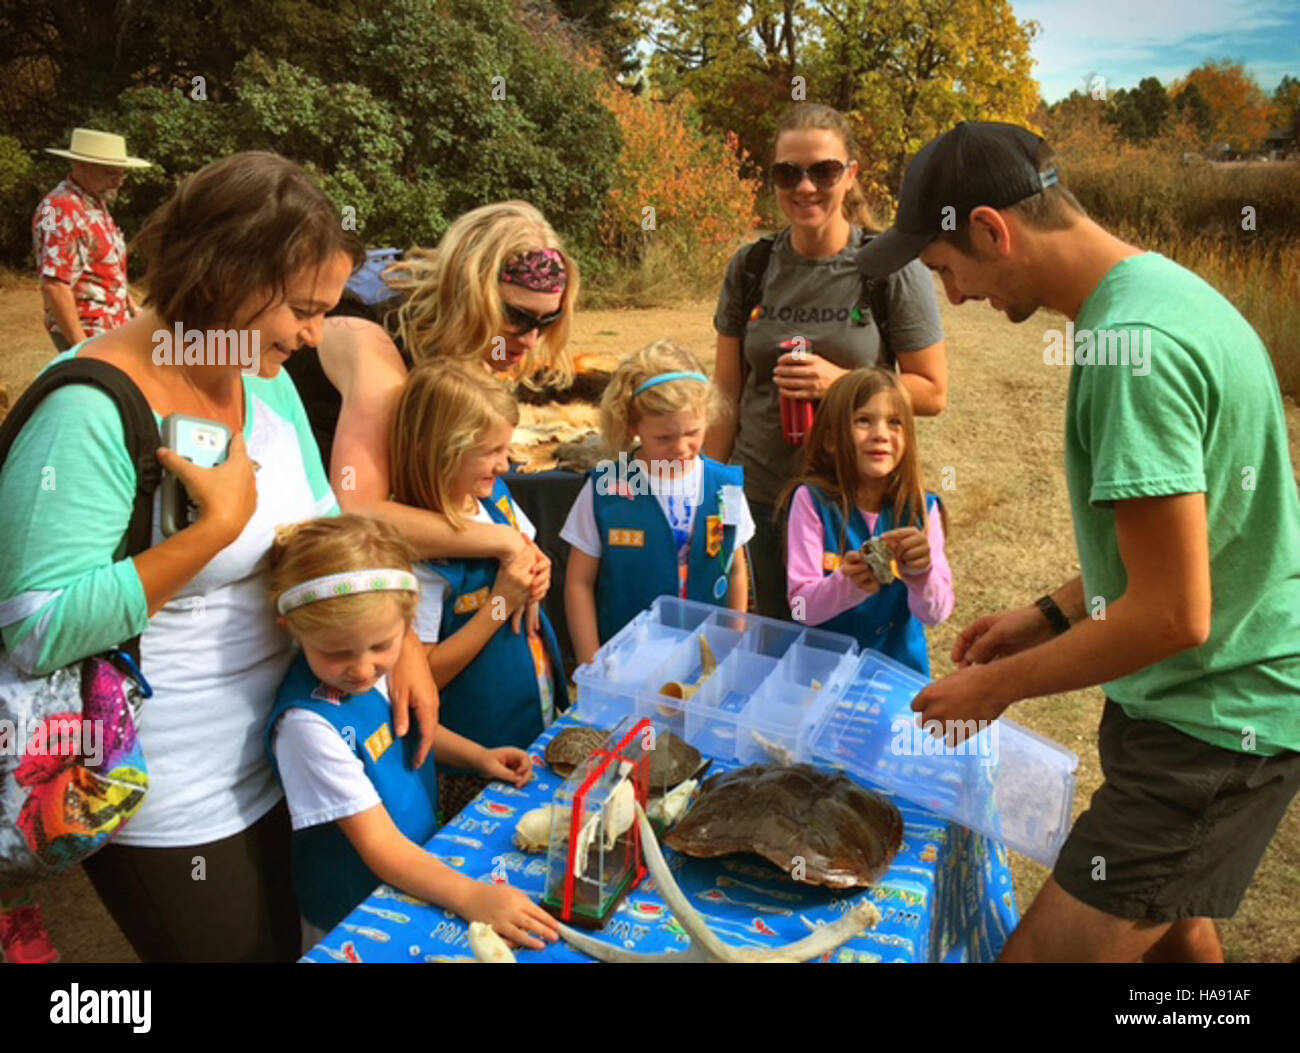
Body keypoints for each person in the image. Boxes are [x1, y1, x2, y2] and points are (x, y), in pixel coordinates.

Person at [859, 120, 1300, 963]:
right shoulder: (1160, 295)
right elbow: (1193, 539)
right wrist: (1049, 615)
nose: (955, 297)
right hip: (1197, 707)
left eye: (946, 269)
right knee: (1176, 927)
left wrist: (995, 688)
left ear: (991, 229)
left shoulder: (1135, 352)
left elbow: (1173, 613)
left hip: (1216, 726)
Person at [0, 150, 437, 963]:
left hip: (282, 749)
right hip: (170, 792)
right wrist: (214, 528)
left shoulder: (257, 373)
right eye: (302, 310)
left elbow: (321, 530)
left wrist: (401, 638)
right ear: (227, 278)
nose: (314, 335)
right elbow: (36, 628)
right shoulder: (87, 409)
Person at [265, 514, 559, 950]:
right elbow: (380, 845)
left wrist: (477, 756)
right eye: (336, 652)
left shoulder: (372, 667)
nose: (362, 669)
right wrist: (472, 896)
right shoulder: (306, 725)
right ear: (293, 629)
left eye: (382, 646)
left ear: (405, 625)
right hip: (353, 915)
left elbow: (404, 728)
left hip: (420, 878)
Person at [707, 103, 947, 620]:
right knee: (766, 638)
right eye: (788, 173)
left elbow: (931, 391)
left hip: (850, 505)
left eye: (824, 171)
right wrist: (706, 486)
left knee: (851, 637)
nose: (805, 187)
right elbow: (725, 393)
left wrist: (841, 382)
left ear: (851, 174)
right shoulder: (751, 266)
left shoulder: (888, 268)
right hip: (759, 496)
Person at [389, 361, 568, 819]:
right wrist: (499, 605)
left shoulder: (491, 496)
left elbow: (527, 549)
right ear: (440, 451)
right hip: (476, 760)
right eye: (490, 452)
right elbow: (424, 676)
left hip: (533, 718)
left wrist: (539, 572)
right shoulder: (418, 561)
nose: (505, 464)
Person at [563, 341, 755, 662]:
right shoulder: (607, 488)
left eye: (693, 432)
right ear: (632, 426)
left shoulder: (725, 487)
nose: (680, 447)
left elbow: (735, 570)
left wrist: (732, 643)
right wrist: (590, 663)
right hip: (626, 660)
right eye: (664, 438)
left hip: (704, 658)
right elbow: (579, 583)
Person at [779, 368, 952, 674]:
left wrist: (921, 574)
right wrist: (847, 584)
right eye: (863, 421)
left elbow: (936, 614)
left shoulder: (922, 510)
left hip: (897, 676)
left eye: (895, 422)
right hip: (824, 676)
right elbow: (801, 609)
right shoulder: (812, 502)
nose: (880, 434)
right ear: (831, 440)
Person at [33, 128, 151, 351]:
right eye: (110, 173)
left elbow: (107, 269)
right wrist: (81, 346)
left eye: (122, 174)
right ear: (81, 166)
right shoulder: (59, 208)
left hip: (110, 328)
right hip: (89, 331)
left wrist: (132, 309)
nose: (119, 182)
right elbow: (55, 284)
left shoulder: (93, 203)